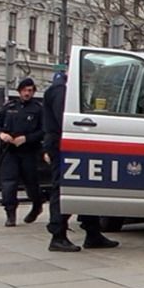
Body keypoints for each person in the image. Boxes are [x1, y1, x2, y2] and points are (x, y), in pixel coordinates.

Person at [42, 68, 117, 253]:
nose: (89, 79)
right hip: (63, 144)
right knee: (63, 187)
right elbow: (66, 121)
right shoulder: (61, 91)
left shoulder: (72, 90)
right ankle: (58, 235)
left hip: (73, 143)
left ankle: (92, 232)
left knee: (87, 185)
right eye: (88, 75)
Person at [0, 77, 46, 227]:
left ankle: (37, 205)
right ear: (19, 91)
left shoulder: (38, 109)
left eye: (30, 91)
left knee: (31, 184)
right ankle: (10, 213)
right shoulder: (10, 107)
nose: (27, 93)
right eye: (24, 90)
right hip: (10, 151)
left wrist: (27, 138)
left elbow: (43, 130)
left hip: (29, 151)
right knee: (8, 184)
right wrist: (1, 134)